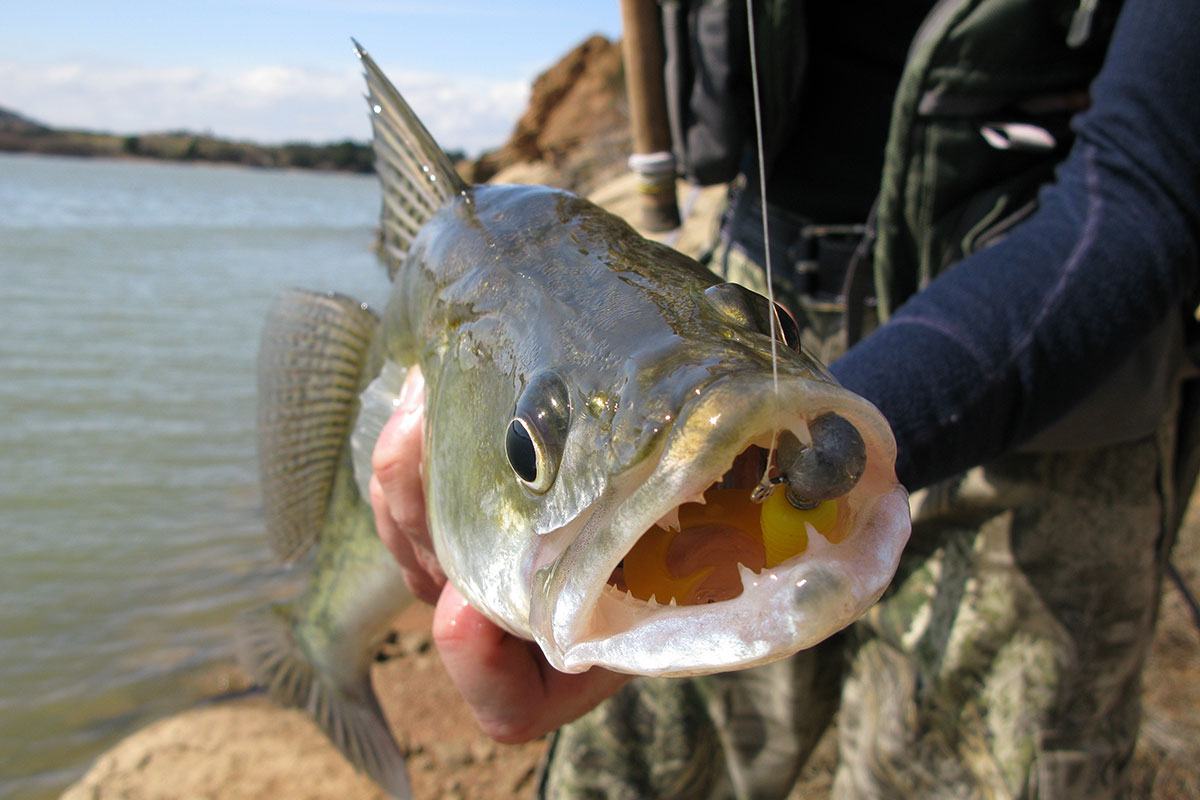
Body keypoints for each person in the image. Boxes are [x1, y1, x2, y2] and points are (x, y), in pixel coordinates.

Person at [371, 0, 1200, 796]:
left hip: (1054, 381)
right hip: (743, 303)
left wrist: (817, 440)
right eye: (530, 448)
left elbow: (1142, 186)